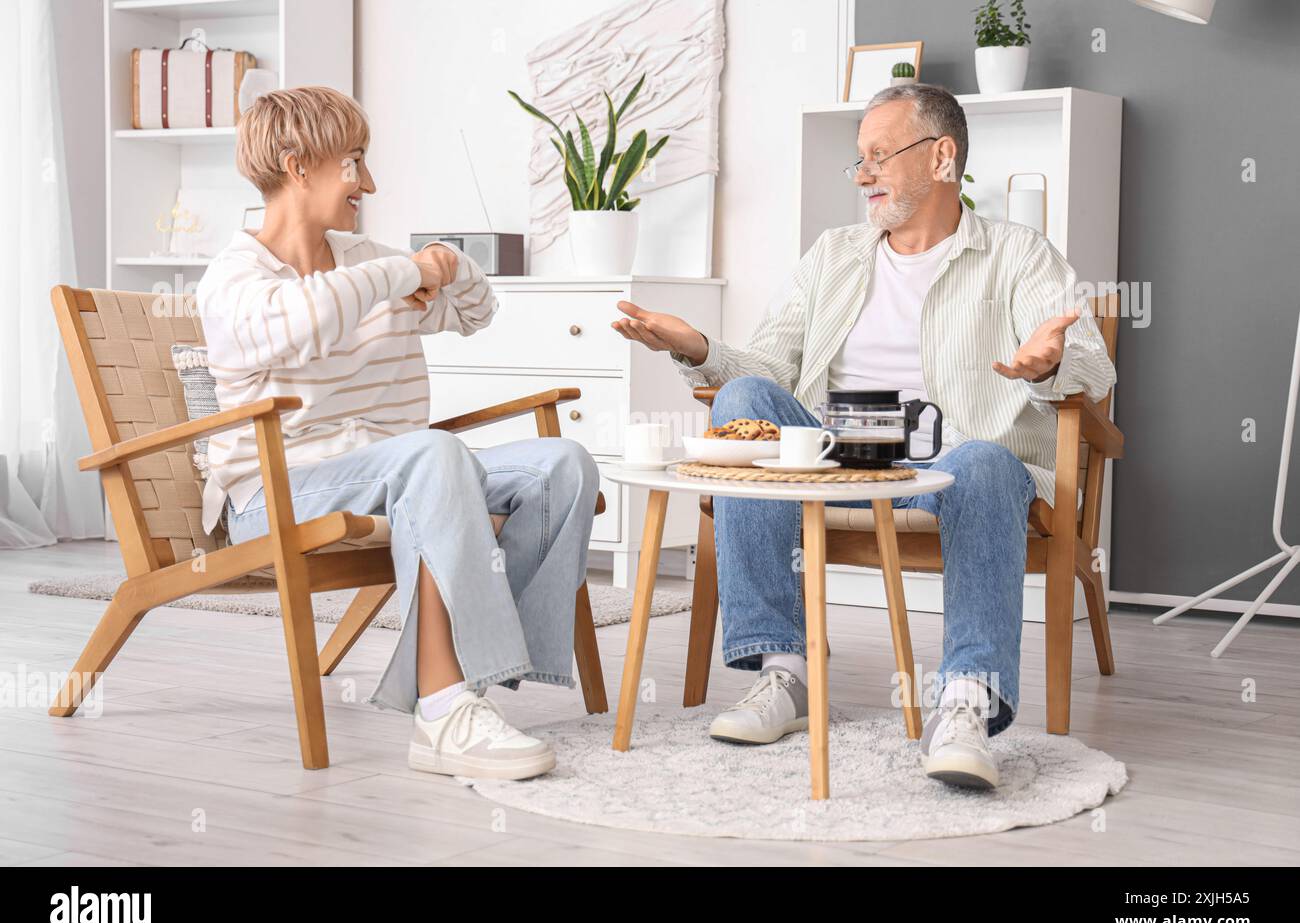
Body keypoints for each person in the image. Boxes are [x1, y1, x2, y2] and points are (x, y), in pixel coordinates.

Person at [610, 83, 1116, 789]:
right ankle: (784, 674)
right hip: (839, 448)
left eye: (880, 155)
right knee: (744, 395)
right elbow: (768, 371)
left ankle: (965, 702)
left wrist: (1051, 362)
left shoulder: (1017, 254)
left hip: (966, 453)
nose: (864, 174)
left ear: (943, 158)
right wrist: (698, 347)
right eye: (860, 159)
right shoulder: (835, 254)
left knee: (982, 463)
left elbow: (1093, 363)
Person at [197, 86, 599, 781]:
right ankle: (443, 707)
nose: (369, 182)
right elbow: (296, 323)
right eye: (354, 162)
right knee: (432, 454)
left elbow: (477, 310)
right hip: (275, 494)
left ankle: (466, 688)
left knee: (563, 465)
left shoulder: (369, 263)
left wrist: (446, 260)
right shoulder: (234, 278)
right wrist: (402, 272)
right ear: (298, 166)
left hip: (403, 476)